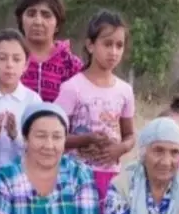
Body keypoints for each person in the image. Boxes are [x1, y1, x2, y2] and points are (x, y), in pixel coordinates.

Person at [55, 10, 136, 201]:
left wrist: (120, 149)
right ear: (90, 45)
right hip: (74, 177)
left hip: (110, 178)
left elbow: (130, 135)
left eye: (119, 45)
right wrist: (86, 139)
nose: (114, 52)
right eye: (107, 44)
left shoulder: (125, 91)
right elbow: (55, 136)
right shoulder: (72, 88)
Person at [0, 0, 83, 103]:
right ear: (21, 20)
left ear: (57, 24)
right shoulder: (4, 59)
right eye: (31, 14)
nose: (38, 21)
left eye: (46, 15)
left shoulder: (72, 66)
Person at [0, 30, 43, 177]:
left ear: (26, 64)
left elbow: (41, 148)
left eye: (17, 59)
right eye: (2, 58)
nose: (9, 65)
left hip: (22, 183)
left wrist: (16, 136)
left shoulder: (33, 101)